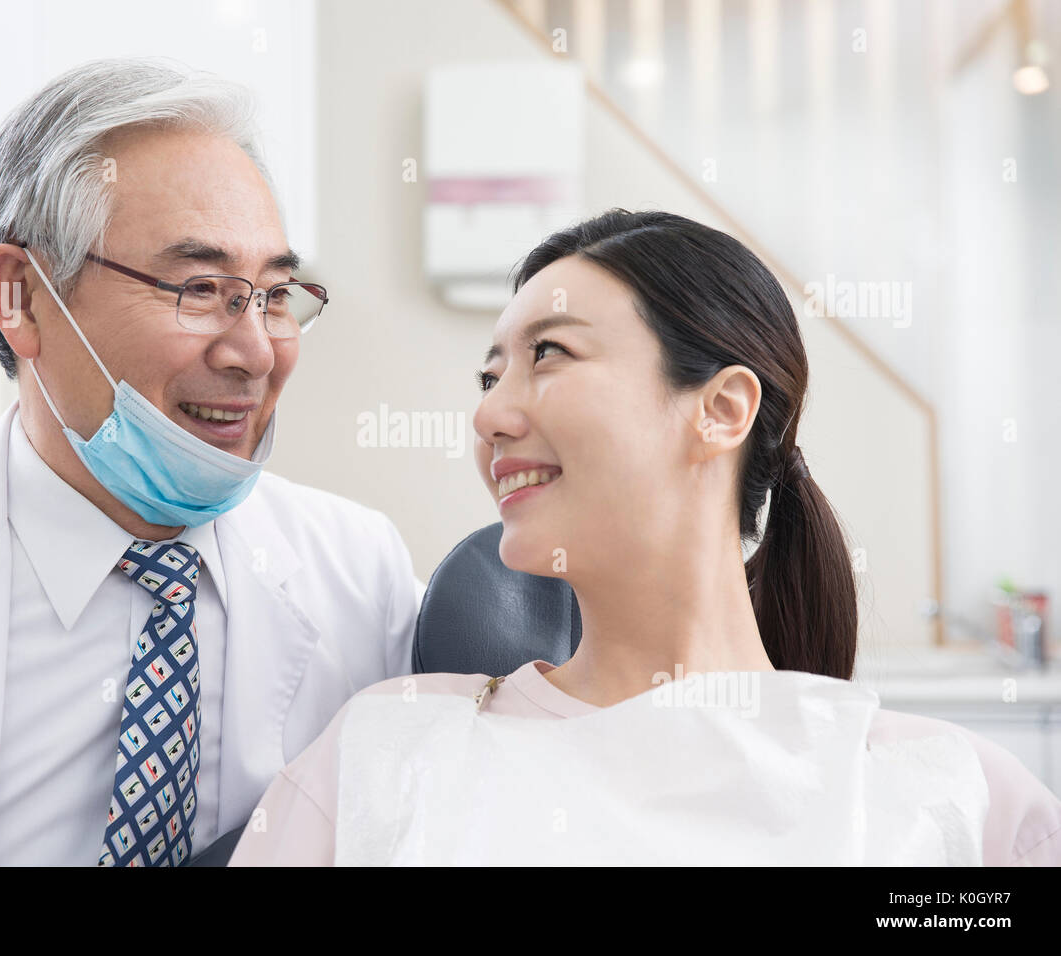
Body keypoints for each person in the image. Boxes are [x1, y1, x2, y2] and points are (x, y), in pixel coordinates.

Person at [229, 209, 1061, 866]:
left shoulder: (950, 796)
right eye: (488, 377)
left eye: (547, 354)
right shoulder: (385, 753)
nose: (488, 414)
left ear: (721, 408)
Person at [0, 57, 423, 866]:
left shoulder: (364, 577)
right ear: (22, 297)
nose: (255, 351)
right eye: (201, 287)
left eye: (276, 295)